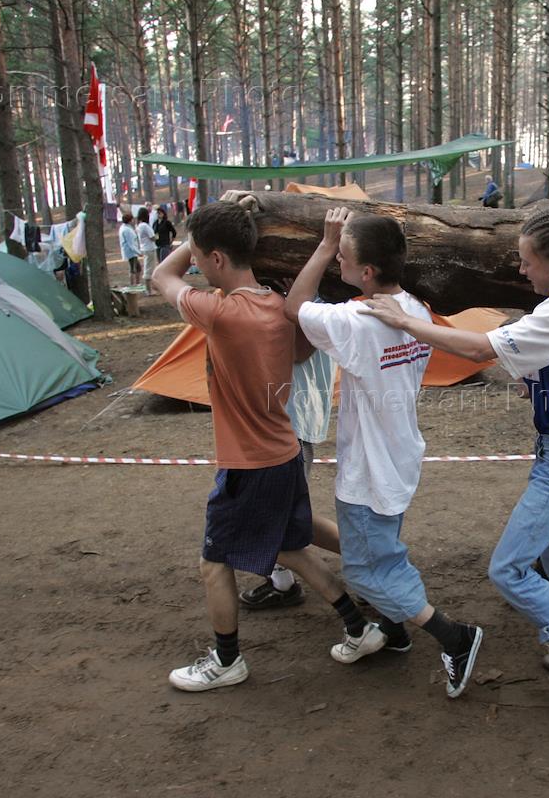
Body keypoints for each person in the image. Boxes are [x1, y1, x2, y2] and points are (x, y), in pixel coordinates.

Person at [361, 204, 549, 712]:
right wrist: (541, 386)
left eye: (527, 261)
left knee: (509, 570)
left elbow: (479, 350)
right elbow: (548, 367)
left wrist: (405, 322)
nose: (521, 270)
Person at [151, 200, 382, 692]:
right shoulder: (282, 309)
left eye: (200, 254)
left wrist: (189, 240)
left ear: (214, 259)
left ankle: (227, 660)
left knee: (213, 563)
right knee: (290, 547)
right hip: (282, 451)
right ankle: (360, 627)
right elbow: (301, 348)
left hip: (249, 464)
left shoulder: (220, 312)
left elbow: (161, 277)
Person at [285, 206, 485, 699]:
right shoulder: (412, 309)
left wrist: (324, 243)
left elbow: (294, 306)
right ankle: (394, 633)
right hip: (397, 456)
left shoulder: (357, 319)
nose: (339, 266)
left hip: (368, 470)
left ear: (367, 271)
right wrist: (341, 243)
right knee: (382, 553)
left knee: (366, 570)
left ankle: (455, 637)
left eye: (346, 258)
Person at [239, 286, 341, 611]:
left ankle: (375, 560)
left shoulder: (322, 298)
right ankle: (282, 583)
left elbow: (298, 350)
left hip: (294, 420)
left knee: (283, 518)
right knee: (279, 515)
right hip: (278, 419)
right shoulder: (288, 291)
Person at [136, 207, 158, 295]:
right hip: (149, 248)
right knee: (149, 269)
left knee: (148, 267)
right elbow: (152, 237)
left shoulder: (138, 226)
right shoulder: (145, 225)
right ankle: (148, 290)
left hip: (144, 248)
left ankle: (149, 289)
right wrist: (157, 237)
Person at [118, 212, 141, 287]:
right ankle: (133, 284)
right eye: (132, 219)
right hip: (131, 252)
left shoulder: (125, 227)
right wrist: (138, 252)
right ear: (130, 220)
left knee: (138, 267)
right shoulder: (127, 230)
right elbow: (131, 244)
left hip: (131, 251)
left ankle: (137, 283)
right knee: (133, 268)